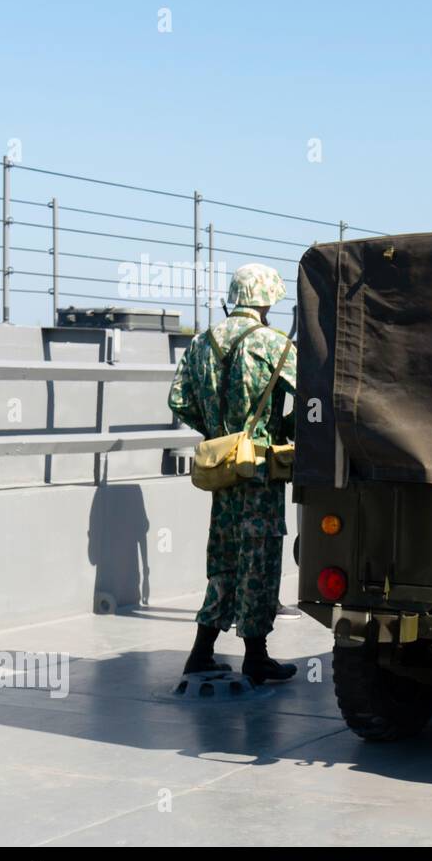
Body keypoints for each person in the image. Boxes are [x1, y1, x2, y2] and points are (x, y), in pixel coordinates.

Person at [169, 263, 298, 684]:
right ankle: (256, 656)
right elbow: (313, 397)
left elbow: (179, 400)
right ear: (267, 300)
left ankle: (201, 652)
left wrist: (216, 432)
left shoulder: (201, 343)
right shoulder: (274, 344)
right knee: (258, 558)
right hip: (258, 469)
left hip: (221, 467)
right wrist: (284, 430)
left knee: (223, 559)